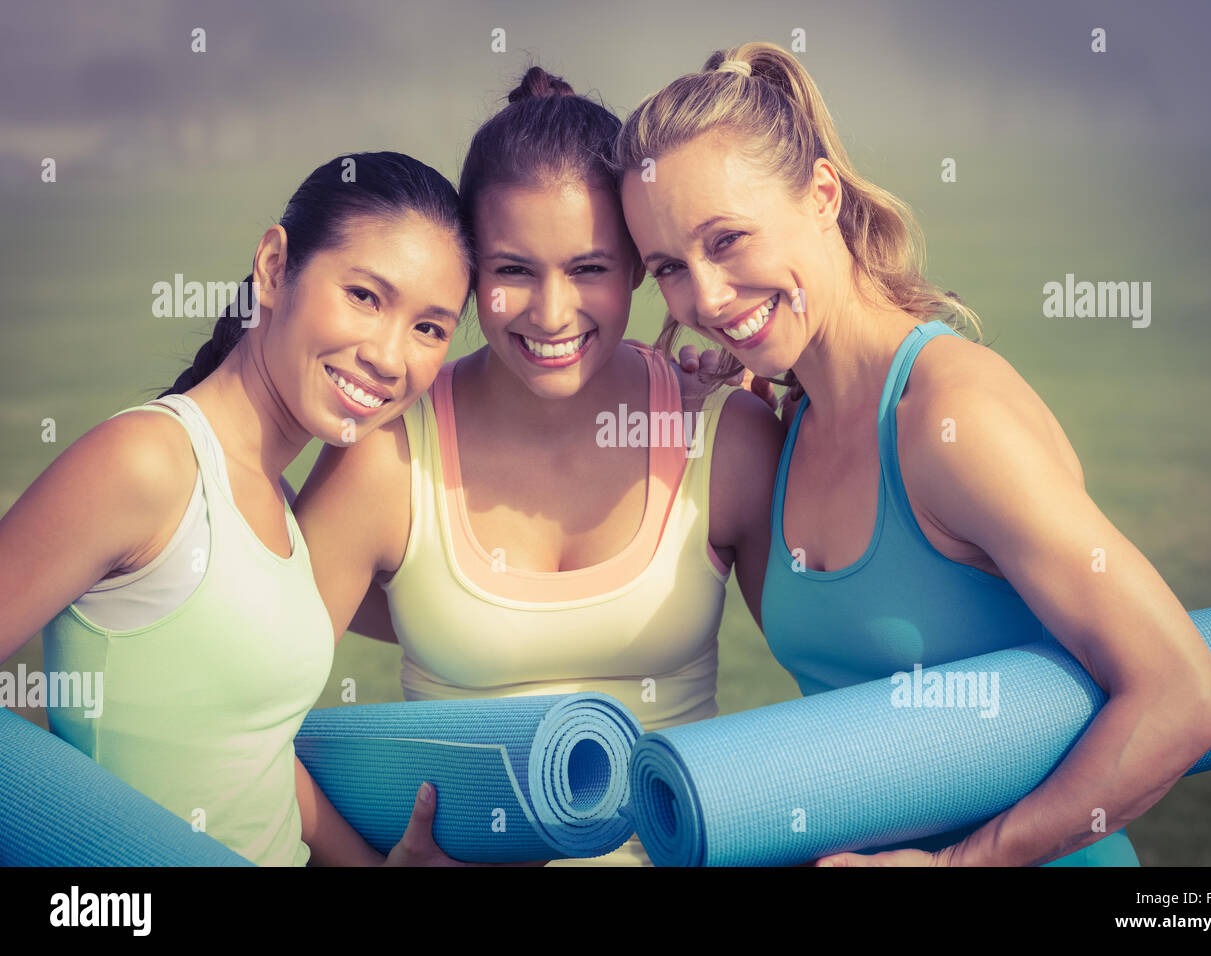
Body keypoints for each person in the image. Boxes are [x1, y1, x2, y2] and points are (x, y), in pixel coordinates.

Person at [614, 42, 1211, 866]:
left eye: (727, 240)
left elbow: (1186, 695)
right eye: (669, 268)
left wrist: (956, 868)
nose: (706, 298)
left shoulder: (953, 419)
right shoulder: (787, 427)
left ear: (822, 195)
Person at [292, 67, 785, 866]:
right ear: (470, 275)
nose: (552, 315)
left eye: (588, 268)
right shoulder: (385, 455)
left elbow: (836, 679)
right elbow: (246, 715)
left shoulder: (726, 435)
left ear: (637, 267)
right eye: (514, 271)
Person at [0, 152, 472, 866]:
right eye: (366, 297)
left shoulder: (281, 506)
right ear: (276, 268)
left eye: (430, 329)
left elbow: (251, 747)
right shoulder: (147, 463)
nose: (388, 355)